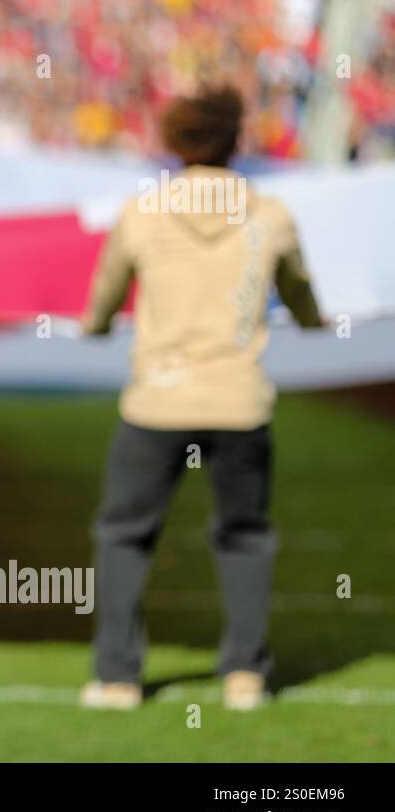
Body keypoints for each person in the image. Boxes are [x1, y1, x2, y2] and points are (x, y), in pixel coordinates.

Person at [77, 85, 326, 711]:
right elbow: (301, 293)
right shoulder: (270, 213)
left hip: (156, 403)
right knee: (245, 535)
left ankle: (117, 677)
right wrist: (319, 322)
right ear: (235, 140)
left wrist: (97, 325)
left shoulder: (144, 211)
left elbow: (104, 296)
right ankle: (245, 676)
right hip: (240, 403)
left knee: (124, 535)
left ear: (173, 142)